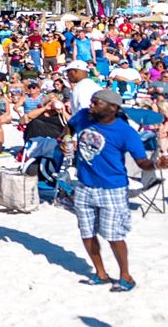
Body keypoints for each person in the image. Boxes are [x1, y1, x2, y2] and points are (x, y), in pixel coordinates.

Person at [67, 88, 157, 291]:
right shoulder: (83, 116)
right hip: (83, 185)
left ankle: (125, 276)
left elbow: (142, 162)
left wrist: (156, 165)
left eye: (96, 102)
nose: (91, 105)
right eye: (92, 101)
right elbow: (69, 127)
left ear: (113, 108)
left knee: (114, 236)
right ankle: (100, 273)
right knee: (87, 232)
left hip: (113, 189)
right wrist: (66, 141)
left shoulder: (125, 132)